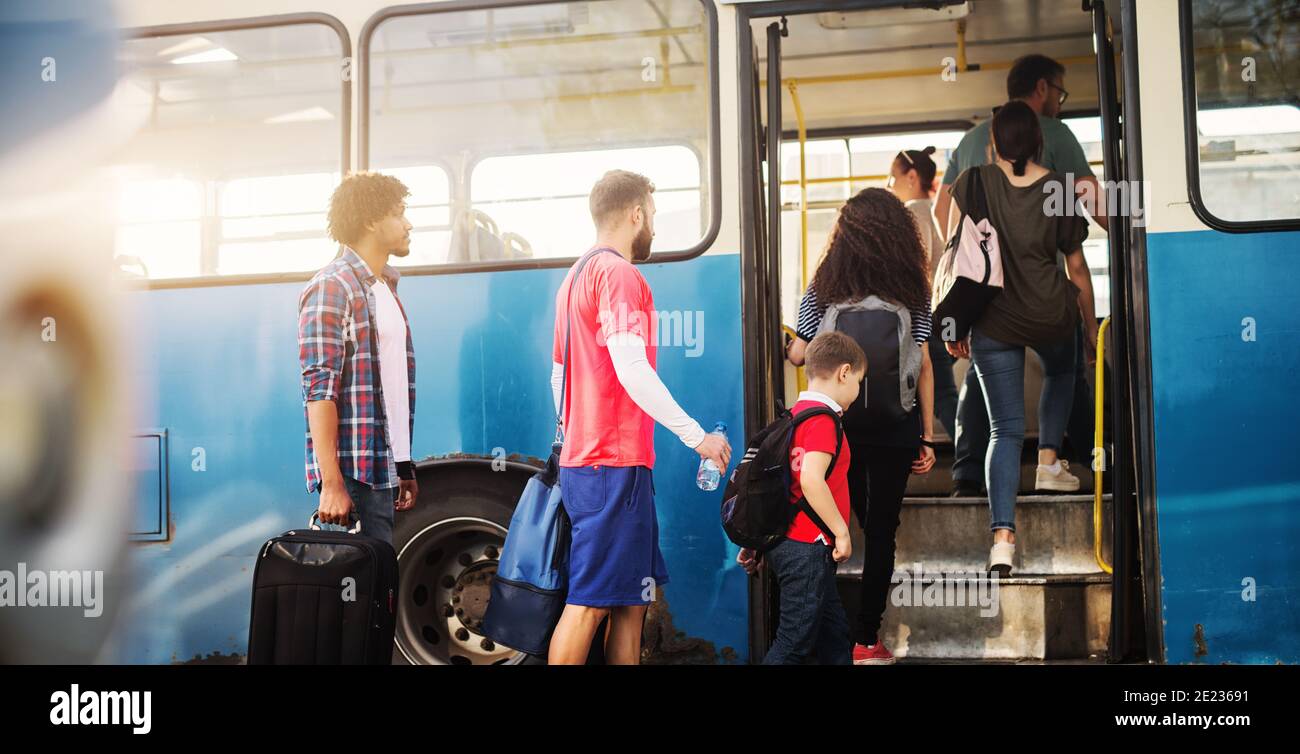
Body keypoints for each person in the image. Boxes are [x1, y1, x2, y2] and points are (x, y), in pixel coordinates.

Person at [546, 169, 730, 665]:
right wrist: (696, 438)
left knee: (630, 603)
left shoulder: (576, 277)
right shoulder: (621, 276)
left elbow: (557, 378)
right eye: (652, 214)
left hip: (594, 461)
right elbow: (631, 368)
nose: (653, 225)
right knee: (587, 606)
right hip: (612, 463)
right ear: (635, 213)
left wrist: (574, 435)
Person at [934, 54, 1105, 497]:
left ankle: (967, 476)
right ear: (1043, 89)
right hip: (1046, 297)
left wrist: (974, 261)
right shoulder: (1056, 136)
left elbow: (944, 214)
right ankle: (1089, 463)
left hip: (989, 302)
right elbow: (1091, 200)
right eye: (1060, 94)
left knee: (979, 386)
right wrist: (1135, 234)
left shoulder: (971, 142)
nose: (1061, 104)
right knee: (1067, 371)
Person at [945, 102, 1099, 575]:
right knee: (1062, 368)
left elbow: (956, 259)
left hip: (994, 319)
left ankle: (1002, 541)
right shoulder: (1058, 187)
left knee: (1004, 431)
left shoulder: (972, 183)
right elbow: (1075, 266)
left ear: (993, 141)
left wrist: (955, 323)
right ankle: (1051, 460)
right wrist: (1090, 329)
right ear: (1039, 141)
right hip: (1052, 313)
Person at [786, 188, 937, 665]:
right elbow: (926, 365)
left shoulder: (824, 289)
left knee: (831, 527)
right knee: (881, 532)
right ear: (899, 233)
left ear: (845, 234)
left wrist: (782, 342)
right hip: (896, 429)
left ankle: (823, 636)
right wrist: (927, 435)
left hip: (835, 428)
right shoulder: (912, 291)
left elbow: (802, 353)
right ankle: (866, 641)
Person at [298, 171, 419, 545]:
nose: (408, 224)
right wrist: (331, 483)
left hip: (382, 472)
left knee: (380, 595)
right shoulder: (332, 286)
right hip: (354, 477)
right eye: (399, 213)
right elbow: (320, 392)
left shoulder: (384, 287)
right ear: (371, 220)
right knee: (360, 599)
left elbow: (391, 390)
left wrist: (404, 465)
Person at [741, 331, 864, 665]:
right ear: (844, 373)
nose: (857, 391)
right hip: (807, 546)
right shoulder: (824, 421)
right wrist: (841, 531)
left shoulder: (792, 416)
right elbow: (810, 480)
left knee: (834, 636)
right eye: (858, 381)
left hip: (787, 543)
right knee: (793, 645)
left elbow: (774, 485)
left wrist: (755, 541)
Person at [888, 146, 956, 442]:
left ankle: (972, 464)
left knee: (942, 394)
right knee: (943, 392)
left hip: (927, 316)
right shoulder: (933, 211)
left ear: (912, 176)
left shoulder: (914, 211)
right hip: (943, 313)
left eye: (892, 177)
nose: (889, 185)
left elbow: (918, 266)